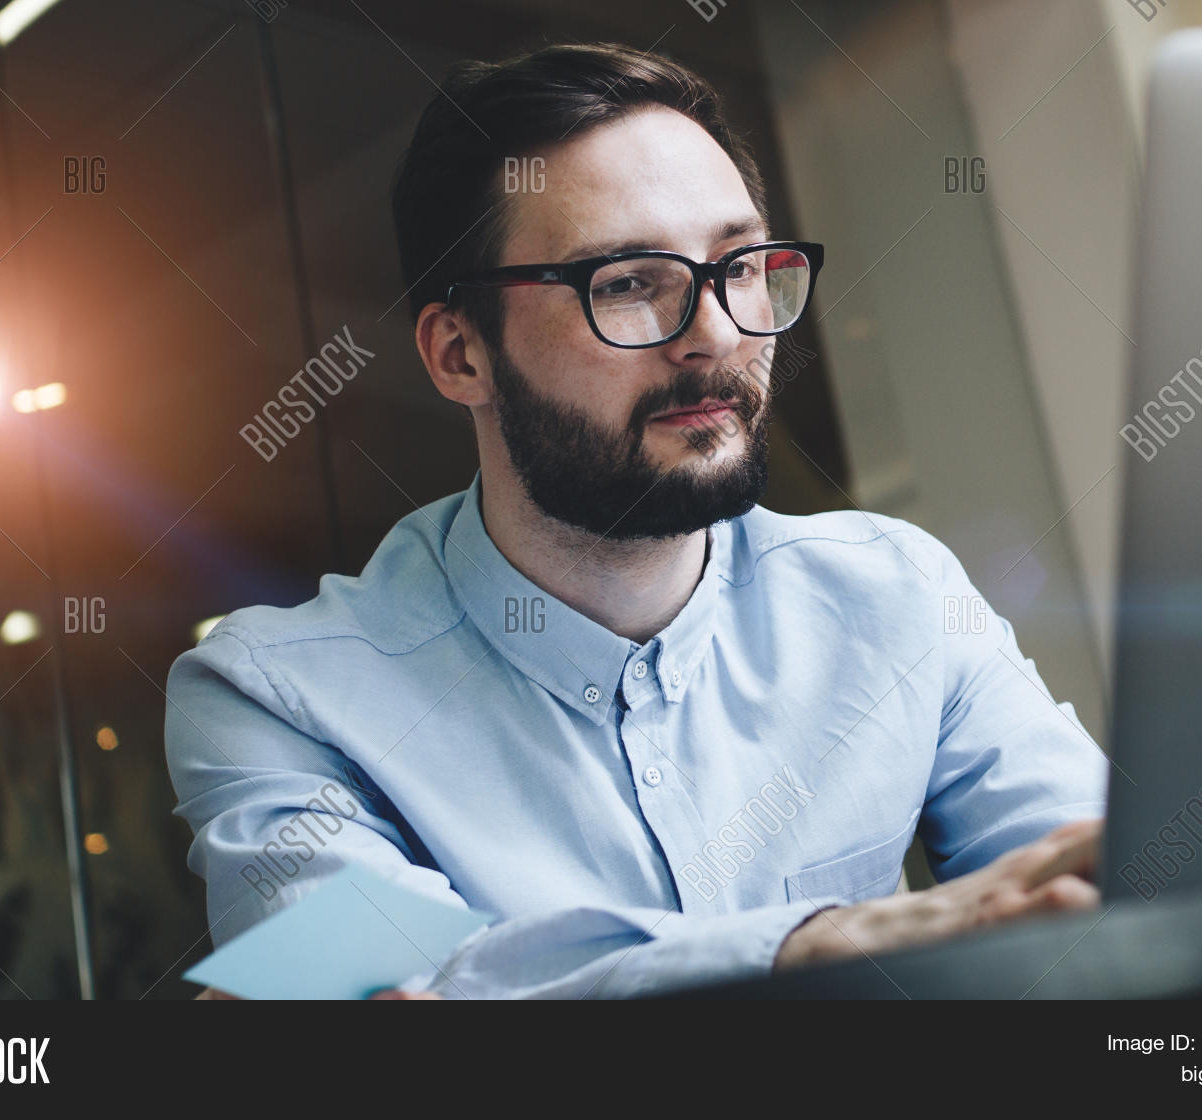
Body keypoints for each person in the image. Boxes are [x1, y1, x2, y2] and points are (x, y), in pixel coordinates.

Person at [166, 41, 1109, 1000]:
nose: (719, 333)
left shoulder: (896, 596)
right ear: (460, 355)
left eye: (740, 266)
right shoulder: (278, 695)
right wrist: (812, 950)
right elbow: (394, 993)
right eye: (624, 283)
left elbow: (1107, 893)